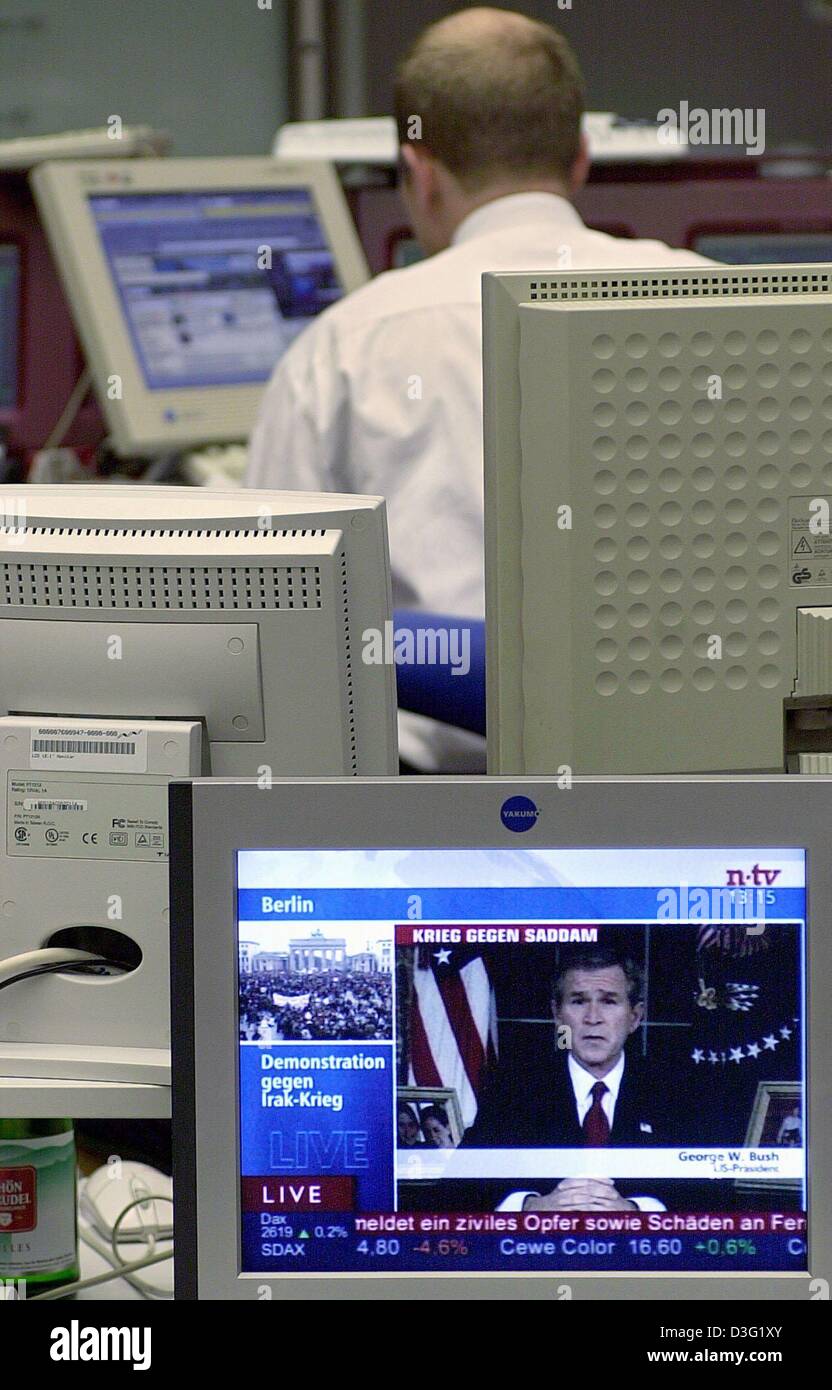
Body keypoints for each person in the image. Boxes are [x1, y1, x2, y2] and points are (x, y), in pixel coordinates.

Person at [246, 6, 710, 771]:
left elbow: (269, 616)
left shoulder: (344, 347)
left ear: (418, 172)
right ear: (582, 156)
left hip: (429, 817)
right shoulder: (732, 309)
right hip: (701, 798)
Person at [463, 948, 673, 1212]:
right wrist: (529, 1208)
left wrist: (637, 1213)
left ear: (635, 1017)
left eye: (608, 1002)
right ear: (558, 1015)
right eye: (578, 1001)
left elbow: (708, 1194)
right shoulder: (514, 1088)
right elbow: (462, 1186)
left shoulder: (674, 1090)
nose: (593, 1018)